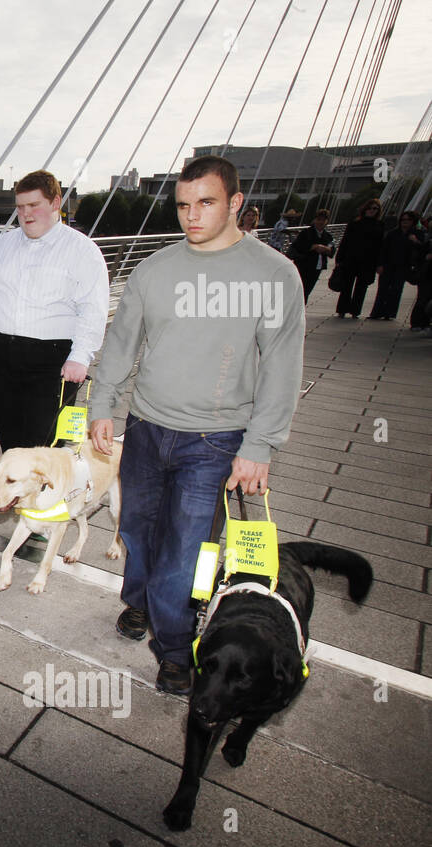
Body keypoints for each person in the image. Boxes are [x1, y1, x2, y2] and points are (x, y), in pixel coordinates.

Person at [88, 155, 305, 696]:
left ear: (235, 203)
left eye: (205, 203)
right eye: (183, 205)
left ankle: (175, 649)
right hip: (144, 429)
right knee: (137, 533)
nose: (192, 215)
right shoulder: (154, 269)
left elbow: (282, 365)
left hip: (216, 439)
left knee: (185, 555)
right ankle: (137, 601)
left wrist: (260, 445)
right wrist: (102, 406)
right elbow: (121, 344)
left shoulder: (275, 274)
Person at [0, 169, 108, 509]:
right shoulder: (0, 247)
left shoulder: (82, 251)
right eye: (20, 206)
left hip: (53, 360)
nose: (26, 213)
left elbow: (93, 307)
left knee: (44, 442)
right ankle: (16, 496)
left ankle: (46, 507)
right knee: (11, 441)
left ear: (56, 203)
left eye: (34, 204)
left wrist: (81, 357)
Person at [331, 200, 384, 318]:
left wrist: (379, 263)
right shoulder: (354, 223)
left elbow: (380, 246)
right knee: (346, 285)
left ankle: (355, 311)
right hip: (351, 259)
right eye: (370, 208)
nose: (371, 210)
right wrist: (339, 259)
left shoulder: (380, 225)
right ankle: (342, 309)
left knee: (362, 287)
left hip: (368, 261)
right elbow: (345, 241)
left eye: (375, 209)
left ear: (378, 211)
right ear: (365, 209)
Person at [369, 210, 424, 320]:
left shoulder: (416, 234)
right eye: (403, 220)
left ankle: (390, 313)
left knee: (396, 290)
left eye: (408, 220)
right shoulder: (392, 233)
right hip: (388, 265)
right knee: (383, 289)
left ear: (412, 221)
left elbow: (422, 249)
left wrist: (416, 241)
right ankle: (377, 312)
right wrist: (380, 265)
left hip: (403, 266)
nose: (405, 222)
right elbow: (383, 250)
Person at [287, 208, 334, 302]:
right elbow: (299, 247)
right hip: (304, 265)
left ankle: (301, 308)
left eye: (323, 220)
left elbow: (332, 251)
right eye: (318, 219)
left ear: (327, 221)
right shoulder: (306, 233)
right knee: (300, 289)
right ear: (314, 220)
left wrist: (325, 249)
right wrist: (314, 247)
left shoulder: (328, 236)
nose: (320, 222)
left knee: (308, 289)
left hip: (317, 267)